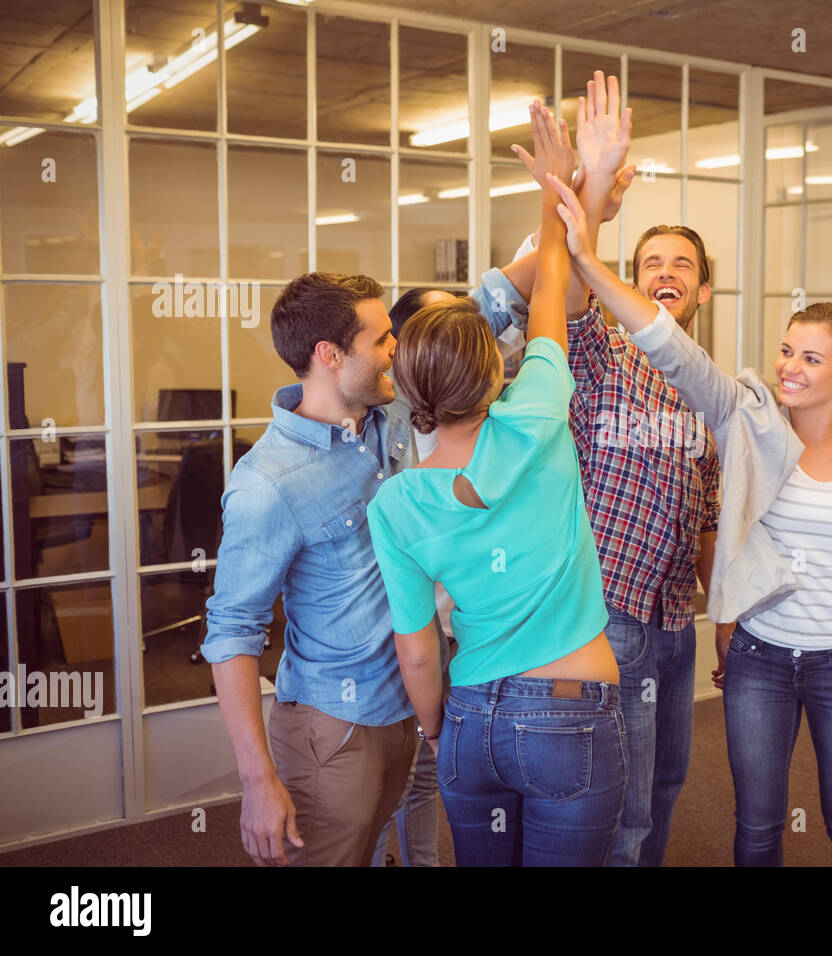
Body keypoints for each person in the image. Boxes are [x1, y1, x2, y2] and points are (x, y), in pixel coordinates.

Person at [549, 174, 832, 866]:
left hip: (708, 623)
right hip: (638, 615)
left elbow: (725, 517)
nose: (790, 367)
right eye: (787, 351)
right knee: (669, 811)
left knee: (677, 784)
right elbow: (647, 338)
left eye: (811, 357)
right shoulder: (716, 401)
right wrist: (588, 244)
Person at [202, 259, 548, 867]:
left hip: (403, 711)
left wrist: (561, 211)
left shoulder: (384, 415)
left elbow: (485, 311)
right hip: (332, 732)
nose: (397, 348)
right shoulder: (267, 482)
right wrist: (258, 781)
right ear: (330, 355)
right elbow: (231, 634)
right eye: (382, 339)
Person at [366, 101, 626, 867]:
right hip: (569, 713)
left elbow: (417, 649)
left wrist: (443, 732)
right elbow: (552, 290)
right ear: (494, 370)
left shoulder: (396, 502)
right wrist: (558, 190)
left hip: (470, 719)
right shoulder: (537, 408)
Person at [509, 71, 723, 867]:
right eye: (651, 262)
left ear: (703, 288)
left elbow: (704, 508)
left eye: (681, 265)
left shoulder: (708, 383)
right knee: (623, 810)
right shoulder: (600, 350)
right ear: (632, 278)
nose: (666, 272)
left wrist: (722, 611)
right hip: (611, 612)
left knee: (667, 786)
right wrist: (588, 191)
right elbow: (563, 299)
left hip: (676, 619)